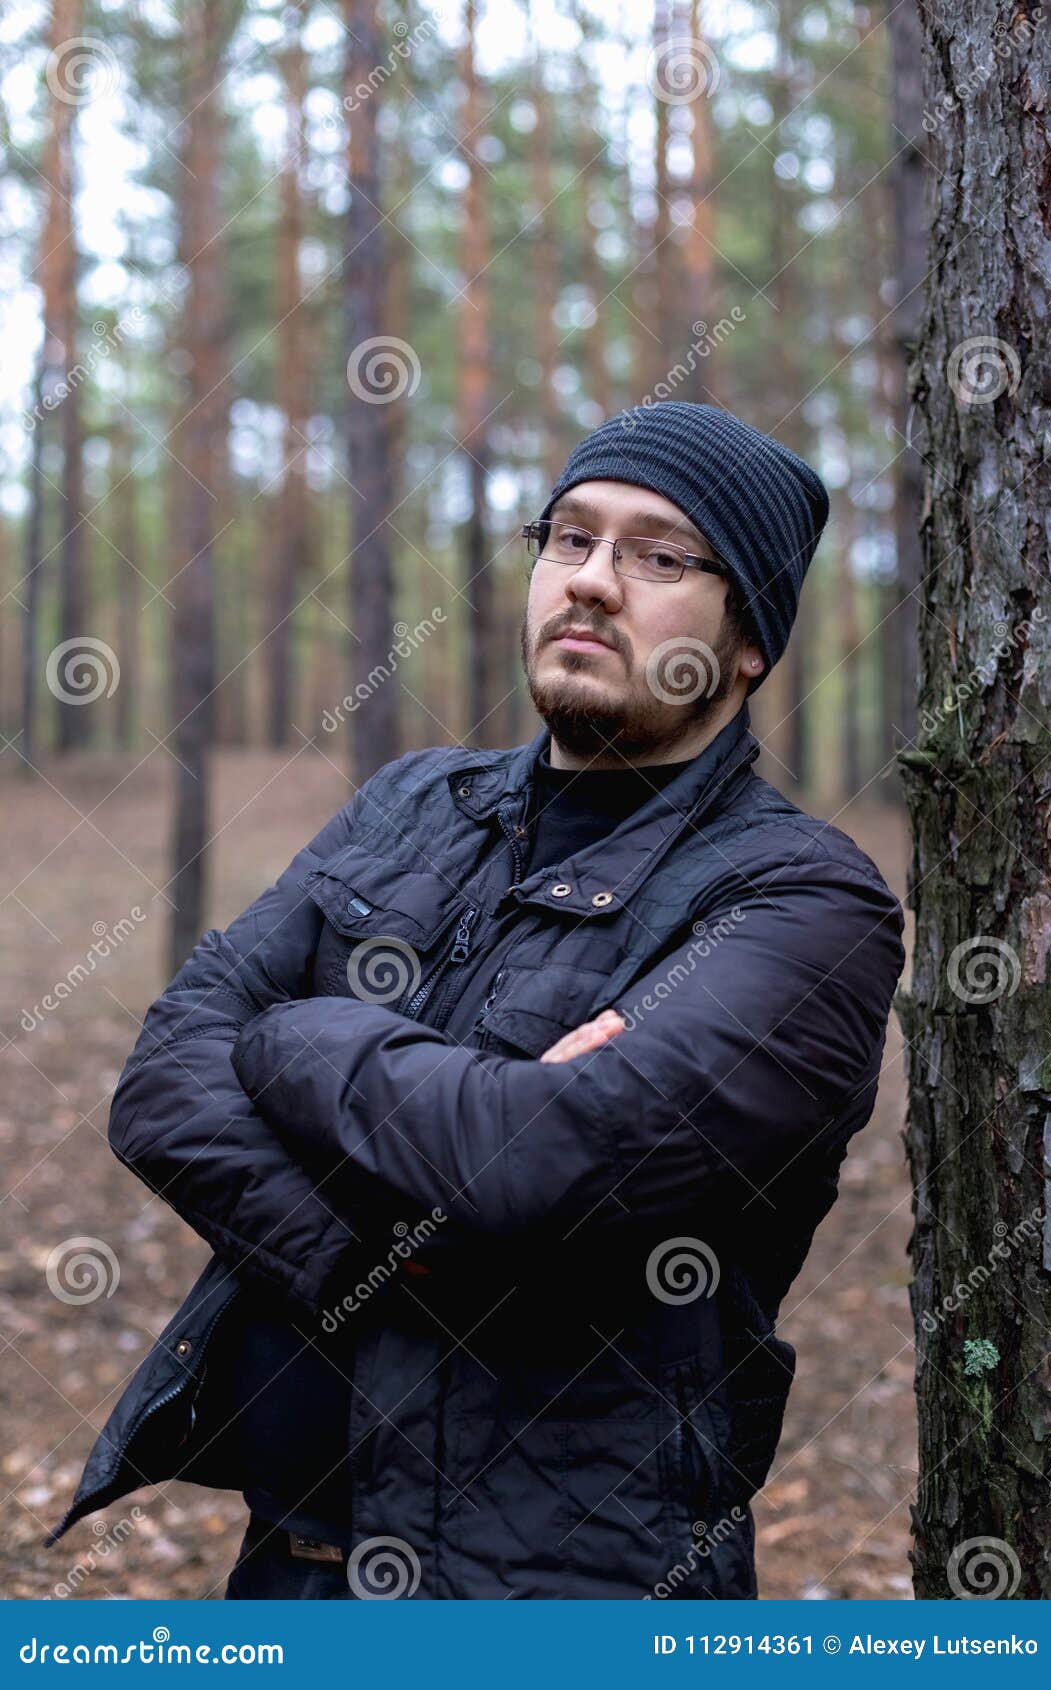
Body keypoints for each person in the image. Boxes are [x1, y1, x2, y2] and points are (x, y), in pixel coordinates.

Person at [44, 401, 905, 1600]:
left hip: (568, 1595)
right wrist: (385, 1251)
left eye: (658, 555)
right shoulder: (413, 805)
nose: (592, 583)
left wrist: (295, 1033)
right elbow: (165, 1074)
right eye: (568, 538)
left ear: (749, 637)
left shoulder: (801, 901)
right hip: (296, 1569)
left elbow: (548, 1164)